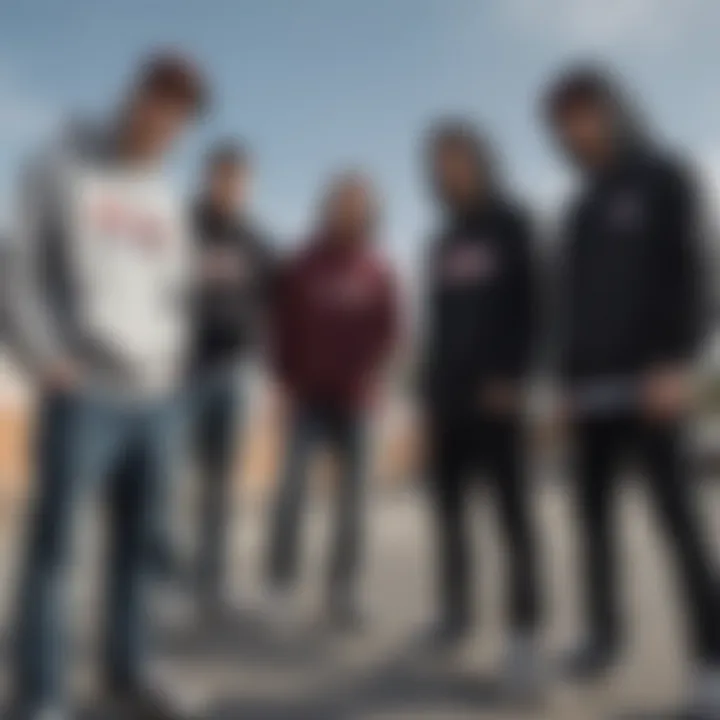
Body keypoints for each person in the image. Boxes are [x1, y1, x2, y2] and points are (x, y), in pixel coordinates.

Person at [6, 51, 207, 720]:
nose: (162, 119)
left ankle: (130, 671)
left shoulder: (168, 196)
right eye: (156, 99)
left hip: (155, 398)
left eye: (177, 113)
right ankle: (44, 695)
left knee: (139, 549)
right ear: (133, 95)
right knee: (55, 551)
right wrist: (45, 358)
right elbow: (19, 269)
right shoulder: (59, 163)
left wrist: (175, 359)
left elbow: (177, 292)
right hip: (83, 390)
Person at [544, 66, 720, 714]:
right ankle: (603, 637)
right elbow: (569, 305)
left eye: (586, 109)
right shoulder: (579, 206)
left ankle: (710, 662)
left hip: (654, 386)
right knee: (593, 528)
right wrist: (563, 382)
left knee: (680, 526)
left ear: (615, 107)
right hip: (590, 393)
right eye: (565, 118)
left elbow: (701, 273)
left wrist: (677, 362)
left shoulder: (666, 175)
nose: (577, 124)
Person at [418, 120, 544, 700]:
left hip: (499, 396)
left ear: (482, 159)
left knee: (513, 522)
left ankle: (524, 638)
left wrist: (517, 376)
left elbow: (540, 305)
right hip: (447, 400)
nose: (451, 169)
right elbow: (435, 326)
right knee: (449, 518)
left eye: (460, 158)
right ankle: (455, 613)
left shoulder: (515, 223)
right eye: (441, 162)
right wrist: (426, 399)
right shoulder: (440, 241)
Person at [266, 172, 398, 631]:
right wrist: (282, 387)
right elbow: (282, 329)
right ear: (327, 206)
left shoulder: (379, 268)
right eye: (341, 201)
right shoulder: (302, 263)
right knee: (291, 494)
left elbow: (391, 331)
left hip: (358, 401)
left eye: (357, 204)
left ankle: (344, 590)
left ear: (369, 212)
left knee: (354, 502)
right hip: (307, 398)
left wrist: (378, 378)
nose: (348, 210)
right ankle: (280, 586)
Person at [189, 141, 273, 613]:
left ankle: (213, 581)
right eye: (223, 176)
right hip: (180, 373)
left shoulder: (257, 243)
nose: (231, 187)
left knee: (221, 486)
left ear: (248, 187)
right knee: (166, 484)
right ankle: (167, 582)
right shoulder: (181, 228)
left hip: (234, 373)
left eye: (239, 180)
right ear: (208, 177)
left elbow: (276, 304)